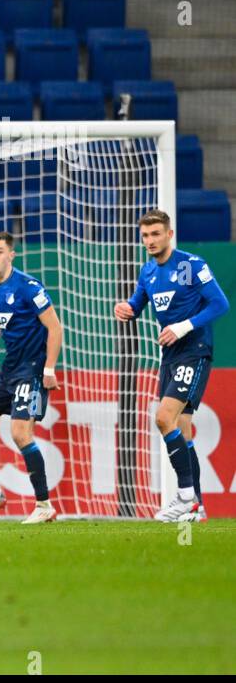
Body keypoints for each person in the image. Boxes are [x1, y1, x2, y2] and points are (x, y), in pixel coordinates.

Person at [115, 209, 229, 522]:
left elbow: (220, 304)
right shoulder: (148, 271)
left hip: (194, 350)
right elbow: (137, 305)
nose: (150, 241)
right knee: (181, 428)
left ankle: (185, 497)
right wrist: (126, 308)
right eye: (145, 236)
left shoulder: (189, 265)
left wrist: (184, 326)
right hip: (170, 356)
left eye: (155, 234)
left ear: (169, 234)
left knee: (164, 418)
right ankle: (197, 506)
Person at [0, 232, 63, 524]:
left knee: (20, 433)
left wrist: (48, 370)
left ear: (11, 255)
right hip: (8, 369)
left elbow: (55, 328)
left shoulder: (29, 287)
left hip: (32, 369)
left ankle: (44, 505)